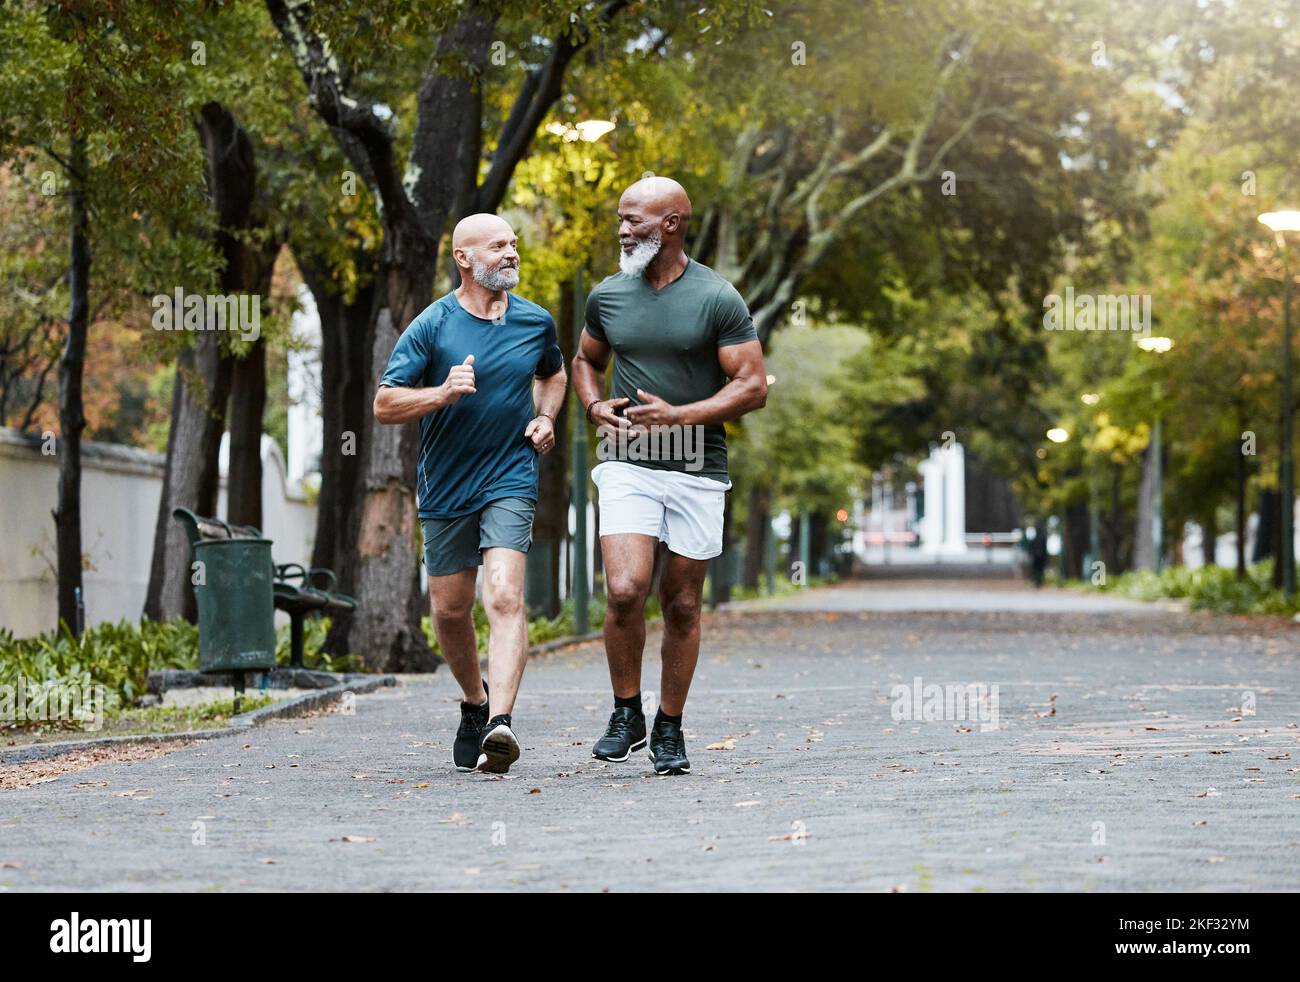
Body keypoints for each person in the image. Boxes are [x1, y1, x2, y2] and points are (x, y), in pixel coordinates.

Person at [571, 176, 768, 775]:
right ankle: (626, 712)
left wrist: (680, 415)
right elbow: (584, 359)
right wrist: (593, 405)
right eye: (621, 219)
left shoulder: (717, 297)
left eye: (634, 220)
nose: (623, 230)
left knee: (681, 604)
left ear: (672, 224)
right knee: (625, 589)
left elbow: (752, 386)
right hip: (626, 459)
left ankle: (669, 726)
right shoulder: (608, 295)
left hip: (696, 465)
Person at [373, 213, 566, 774]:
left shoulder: (535, 321)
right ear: (464, 258)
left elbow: (553, 374)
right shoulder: (433, 324)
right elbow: (384, 404)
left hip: (510, 475)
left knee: (503, 596)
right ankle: (475, 702)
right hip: (446, 482)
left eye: (513, 243)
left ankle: (501, 724)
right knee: (449, 609)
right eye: (498, 245)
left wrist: (546, 417)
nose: (511, 252)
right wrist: (441, 393)